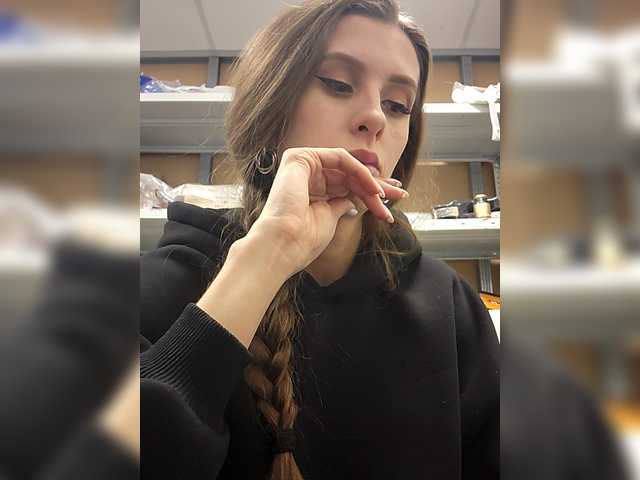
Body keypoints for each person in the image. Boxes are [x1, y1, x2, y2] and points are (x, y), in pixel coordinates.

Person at [141, 1, 499, 479]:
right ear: (269, 112)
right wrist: (267, 257)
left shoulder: (449, 302)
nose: (375, 117)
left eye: (398, 105)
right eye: (337, 83)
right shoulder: (159, 284)